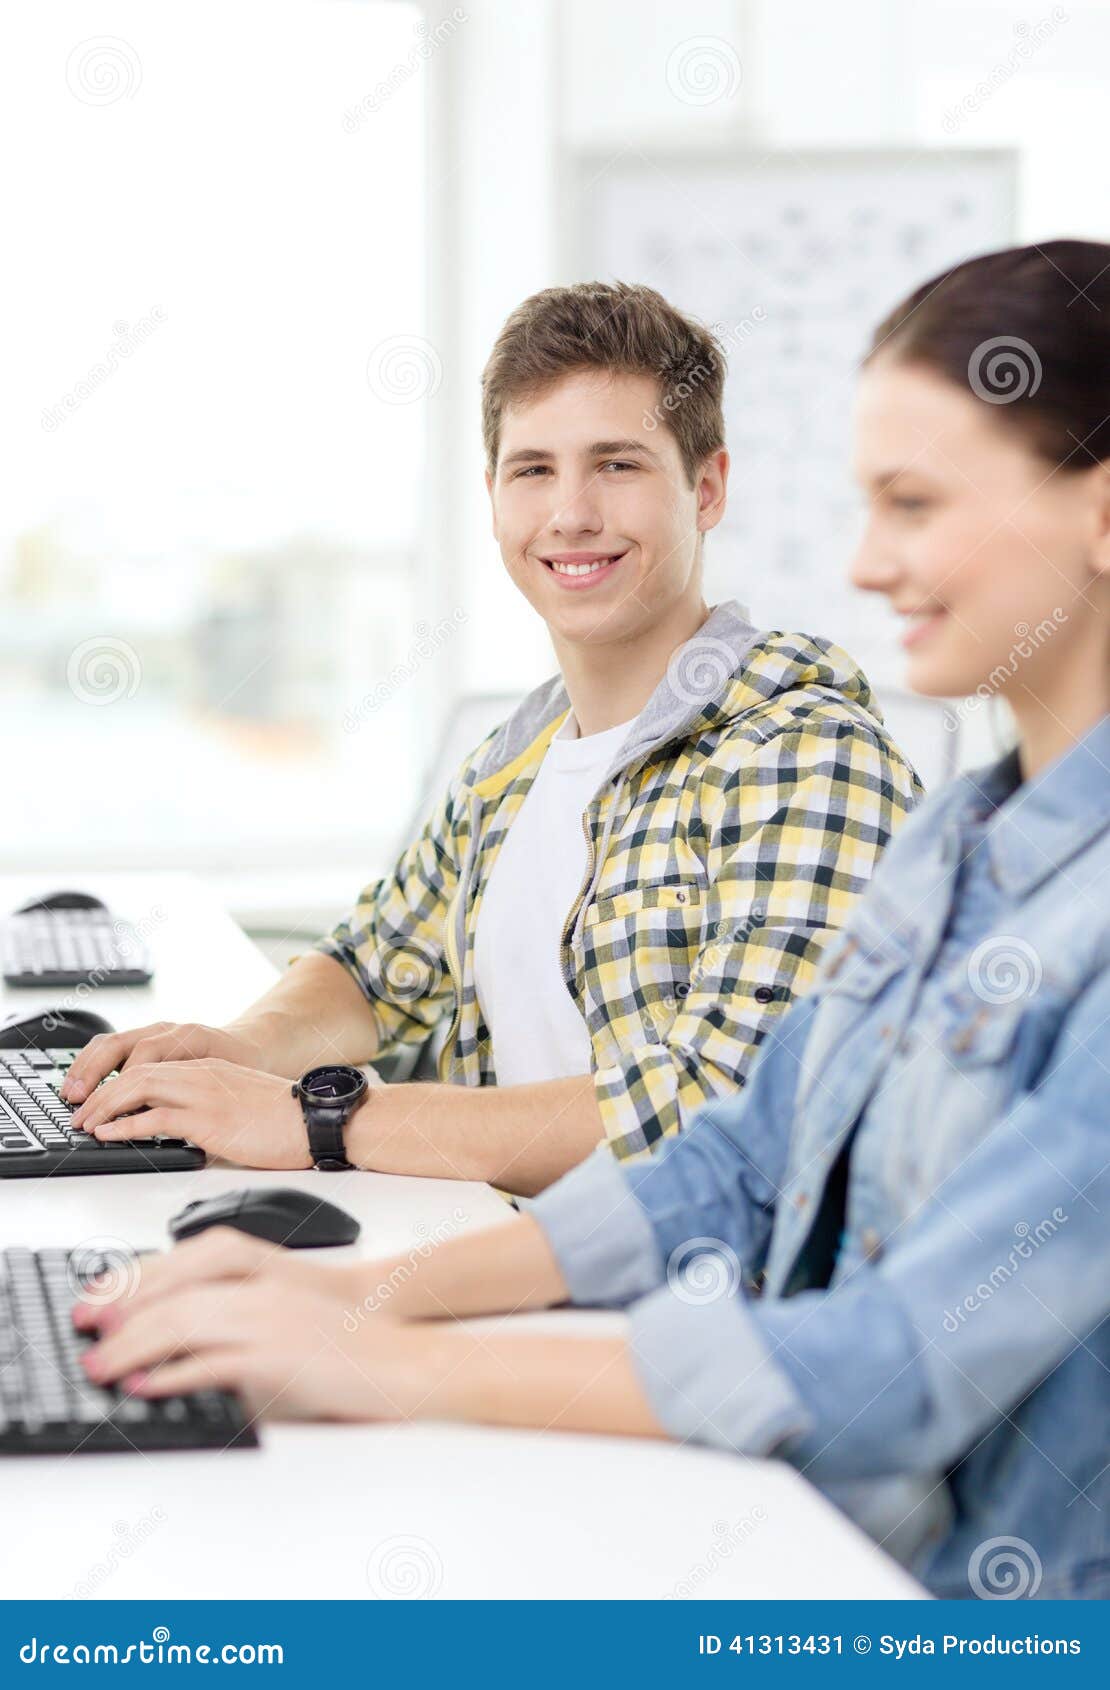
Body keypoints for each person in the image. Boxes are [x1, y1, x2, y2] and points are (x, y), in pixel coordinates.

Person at [80, 241, 1110, 1599]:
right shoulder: (954, 848)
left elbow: (904, 1354)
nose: (864, 565)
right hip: (782, 1504)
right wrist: (364, 1297)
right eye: (869, 505)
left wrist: (394, 1347)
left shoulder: (831, 763)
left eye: (913, 504)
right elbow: (731, 1164)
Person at [62, 281, 918, 1194]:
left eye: (618, 465)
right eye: (534, 469)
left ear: (705, 488)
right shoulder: (517, 758)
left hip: (683, 1309)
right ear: (494, 494)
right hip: (506, 1258)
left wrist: (314, 1118)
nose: (571, 513)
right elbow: (372, 967)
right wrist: (237, 1050)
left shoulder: (806, 757)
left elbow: (709, 1111)